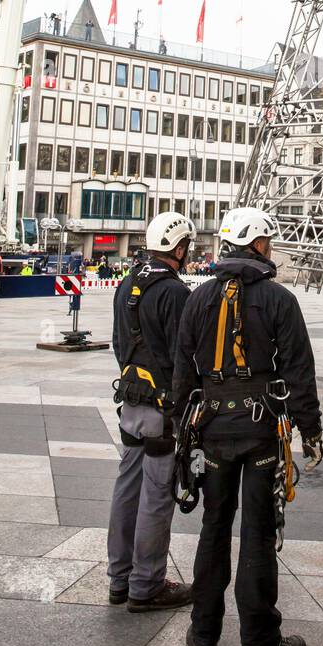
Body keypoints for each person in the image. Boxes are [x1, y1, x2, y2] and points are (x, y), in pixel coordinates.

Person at [173, 207, 323, 646]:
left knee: (215, 528)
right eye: (268, 242)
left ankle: (204, 635)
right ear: (256, 245)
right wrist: (310, 429)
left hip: (213, 430)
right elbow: (299, 370)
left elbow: (183, 373)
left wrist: (183, 431)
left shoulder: (197, 300)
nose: (271, 249)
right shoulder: (278, 300)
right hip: (261, 433)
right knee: (257, 534)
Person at [106, 211, 197, 610]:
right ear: (178, 248)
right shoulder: (174, 293)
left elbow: (117, 344)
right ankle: (146, 586)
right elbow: (186, 356)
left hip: (131, 403)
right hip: (163, 410)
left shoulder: (128, 284)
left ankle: (119, 578)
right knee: (157, 495)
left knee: (126, 489)